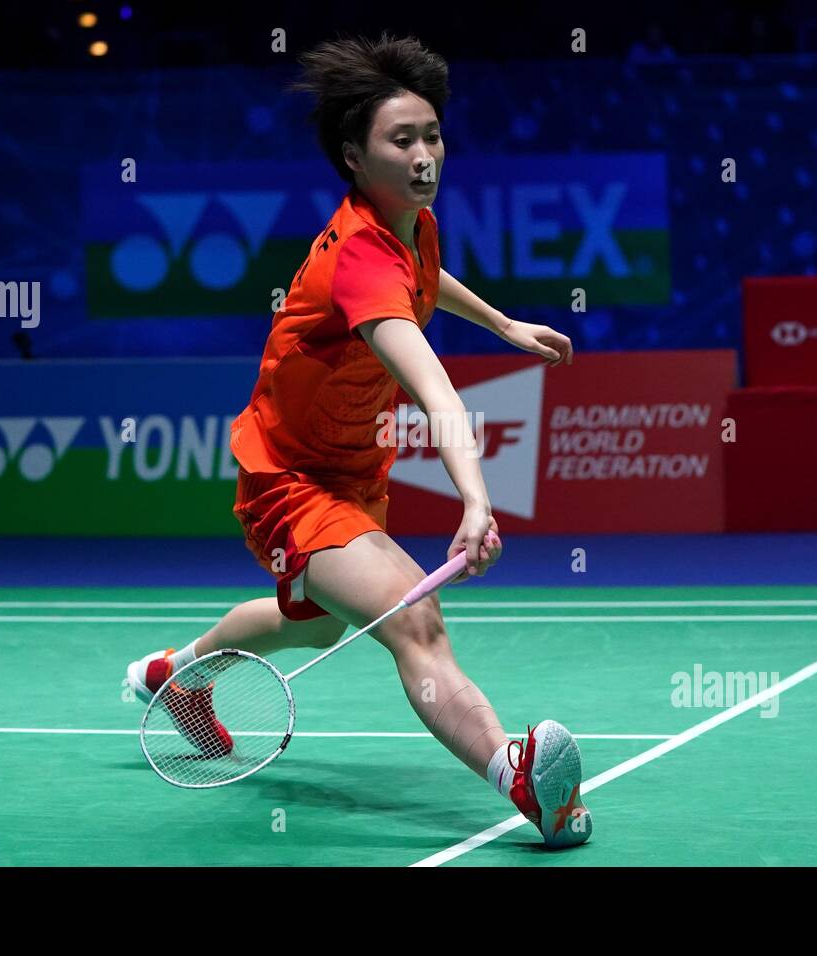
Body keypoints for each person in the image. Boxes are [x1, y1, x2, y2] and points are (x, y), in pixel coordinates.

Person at [126, 32, 589, 848]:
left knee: (313, 625)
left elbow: (426, 278)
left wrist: (503, 322)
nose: (424, 157)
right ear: (352, 155)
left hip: (349, 471)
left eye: (432, 136)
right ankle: (516, 774)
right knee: (416, 618)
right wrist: (477, 498)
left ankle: (177, 674)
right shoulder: (359, 262)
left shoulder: (410, 226)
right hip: (289, 480)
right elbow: (432, 386)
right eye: (400, 141)